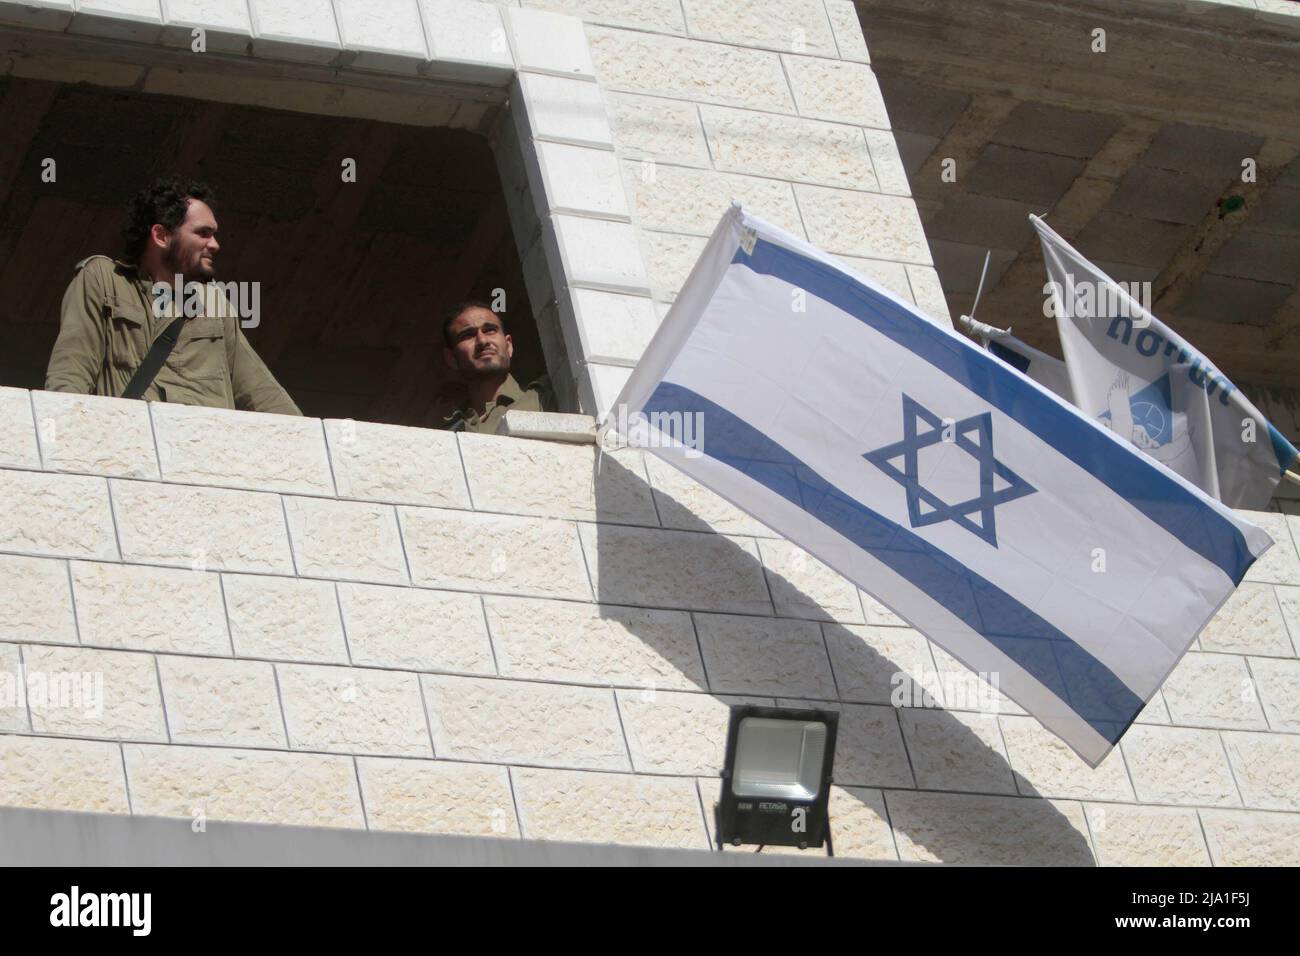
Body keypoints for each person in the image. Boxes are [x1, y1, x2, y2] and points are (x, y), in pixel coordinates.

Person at [45, 176, 300, 415]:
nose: (215, 244)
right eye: (203, 233)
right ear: (161, 235)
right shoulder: (104, 280)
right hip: (131, 451)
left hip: (205, 454)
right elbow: (70, 374)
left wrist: (310, 444)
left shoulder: (213, 301)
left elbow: (261, 391)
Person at [440, 300, 554, 433]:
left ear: (509, 345)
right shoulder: (448, 434)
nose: (482, 341)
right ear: (452, 358)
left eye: (490, 330)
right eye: (468, 335)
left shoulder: (544, 396)